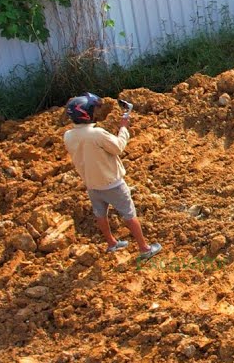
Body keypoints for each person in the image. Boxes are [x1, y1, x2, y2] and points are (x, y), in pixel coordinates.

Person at [62, 93, 162, 262]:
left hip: (91, 184)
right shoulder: (97, 134)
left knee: (100, 213)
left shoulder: (68, 136)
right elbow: (118, 147)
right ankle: (144, 248)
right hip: (112, 183)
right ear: (87, 114)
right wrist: (123, 128)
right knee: (129, 214)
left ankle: (112, 243)